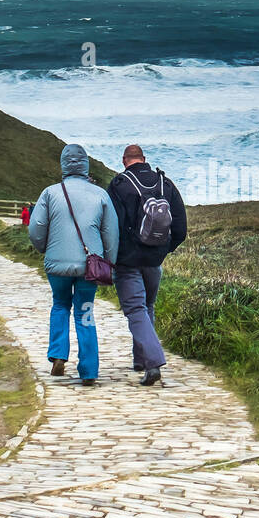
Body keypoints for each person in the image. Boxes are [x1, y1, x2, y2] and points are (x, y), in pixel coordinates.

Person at [28, 144, 119, 385]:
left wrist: (44, 249)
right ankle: (88, 369)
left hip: (56, 265)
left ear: (64, 165)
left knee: (60, 304)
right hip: (90, 267)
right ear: (86, 165)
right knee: (85, 311)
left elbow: (36, 229)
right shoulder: (100, 194)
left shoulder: (50, 193)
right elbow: (111, 233)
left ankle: (58, 354)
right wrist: (109, 261)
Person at [106, 144, 187, 386]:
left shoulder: (118, 185)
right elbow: (180, 228)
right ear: (144, 159)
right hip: (155, 259)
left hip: (128, 260)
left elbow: (111, 226)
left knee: (135, 309)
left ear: (124, 161)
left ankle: (153, 363)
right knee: (147, 305)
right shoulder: (165, 184)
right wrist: (163, 250)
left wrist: (113, 256)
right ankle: (140, 359)